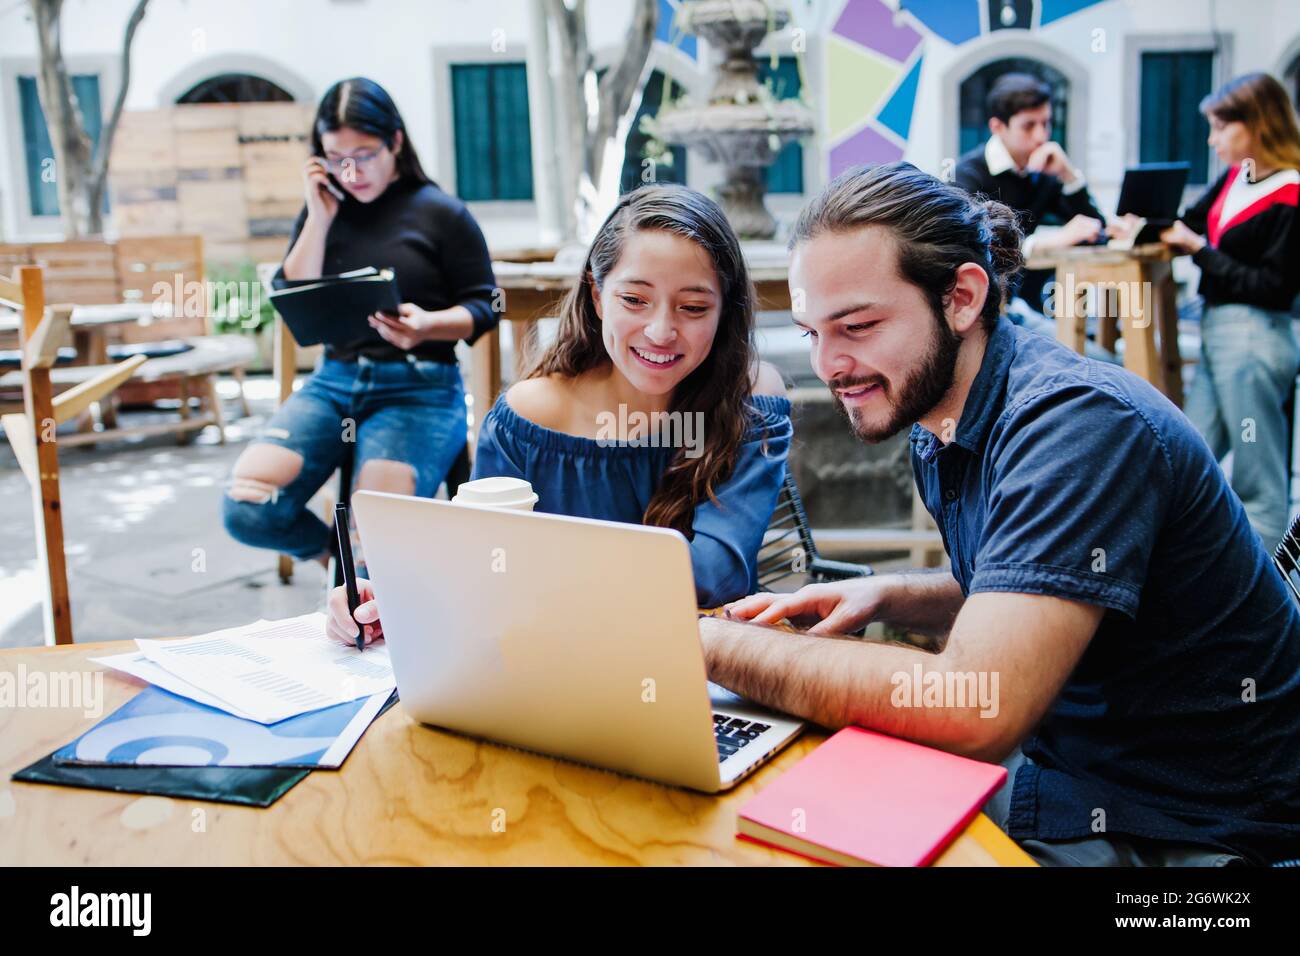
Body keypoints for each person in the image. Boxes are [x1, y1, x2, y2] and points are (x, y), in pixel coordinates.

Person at [712, 162, 1300, 866]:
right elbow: (1035, 588)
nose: (829, 365)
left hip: (1201, 830)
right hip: (1080, 774)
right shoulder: (942, 414)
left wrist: (707, 646)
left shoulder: (1076, 428)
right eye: (811, 333)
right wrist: (893, 593)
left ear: (962, 297)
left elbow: (974, 705)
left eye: (858, 326)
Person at [327, 184, 791, 644]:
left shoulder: (749, 397)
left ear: (723, 311)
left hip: (705, 664)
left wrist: (533, 569)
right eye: (633, 300)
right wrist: (394, 596)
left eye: (693, 307)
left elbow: (715, 574)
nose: (661, 330)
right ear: (596, 294)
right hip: (551, 660)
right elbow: (484, 565)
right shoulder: (527, 418)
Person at [223, 77, 498, 565]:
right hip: (335, 380)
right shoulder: (324, 211)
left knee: (377, 534)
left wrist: (427, 325)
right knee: (247, 506)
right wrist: (319, 217)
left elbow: (485, 307)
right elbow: (296, 295)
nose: (350, 170)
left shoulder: (443, 213)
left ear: (395, 141)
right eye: (335, 156)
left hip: (421, 387)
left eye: (365, 153)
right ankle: (342, 567)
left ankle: (368, 580)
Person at [1159, 72, 1300, 552]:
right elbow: (1188, 224)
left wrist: (1199, 250)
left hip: (1256, 334)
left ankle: (1270, 601)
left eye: (1221, 127)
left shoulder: (1291, 192)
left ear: (1256, 124)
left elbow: (1274, 285)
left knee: (1259, 477)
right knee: (1186, 451)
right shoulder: (1238, 178)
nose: (1212, 139)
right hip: (1222, 330)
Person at [955, 72, 1107, 314]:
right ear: (998, 127)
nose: (1041, 136)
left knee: (1095, 352)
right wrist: (1045, 244)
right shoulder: (968, 173)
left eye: (1046, 124)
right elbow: (975, 246)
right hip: (989, 310)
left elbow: (1096, 228)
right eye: (1029, 126)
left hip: (1039, 306)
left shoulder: (1046, 171)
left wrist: (1069, 175)